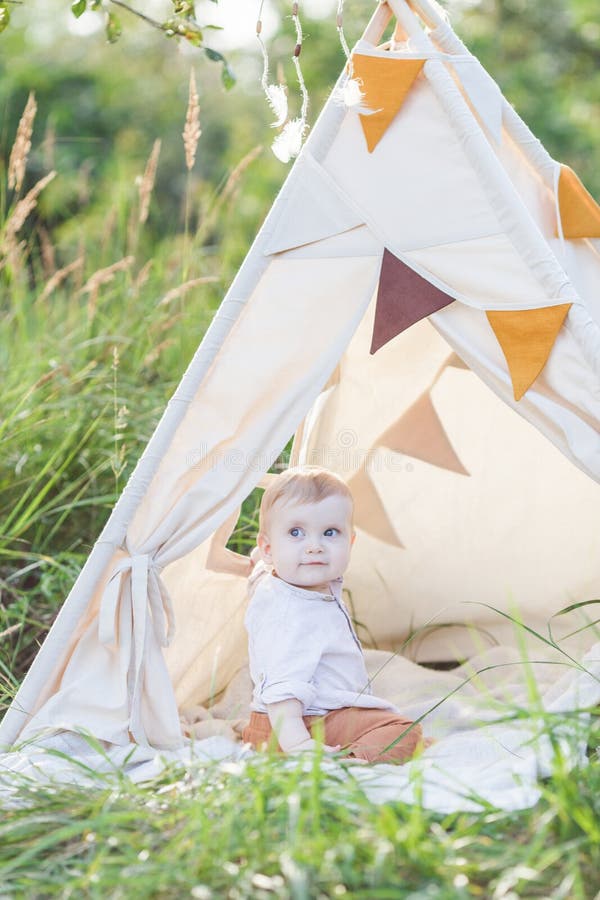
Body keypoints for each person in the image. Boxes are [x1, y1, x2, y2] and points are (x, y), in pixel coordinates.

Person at [241, 466, 424, 763]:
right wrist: (298, 744)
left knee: (385, 724)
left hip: (303, 720)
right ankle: (346, 764)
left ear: (350, 543)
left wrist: (259, 561)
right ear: (268, 548)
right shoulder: (290, 612)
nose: (314, 546)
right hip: (301, 722)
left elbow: (259, 569)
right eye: (296, 532)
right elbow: (281, 684)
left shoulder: (280, 579)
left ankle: (359, 746)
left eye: (330, 532)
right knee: (405, 733)